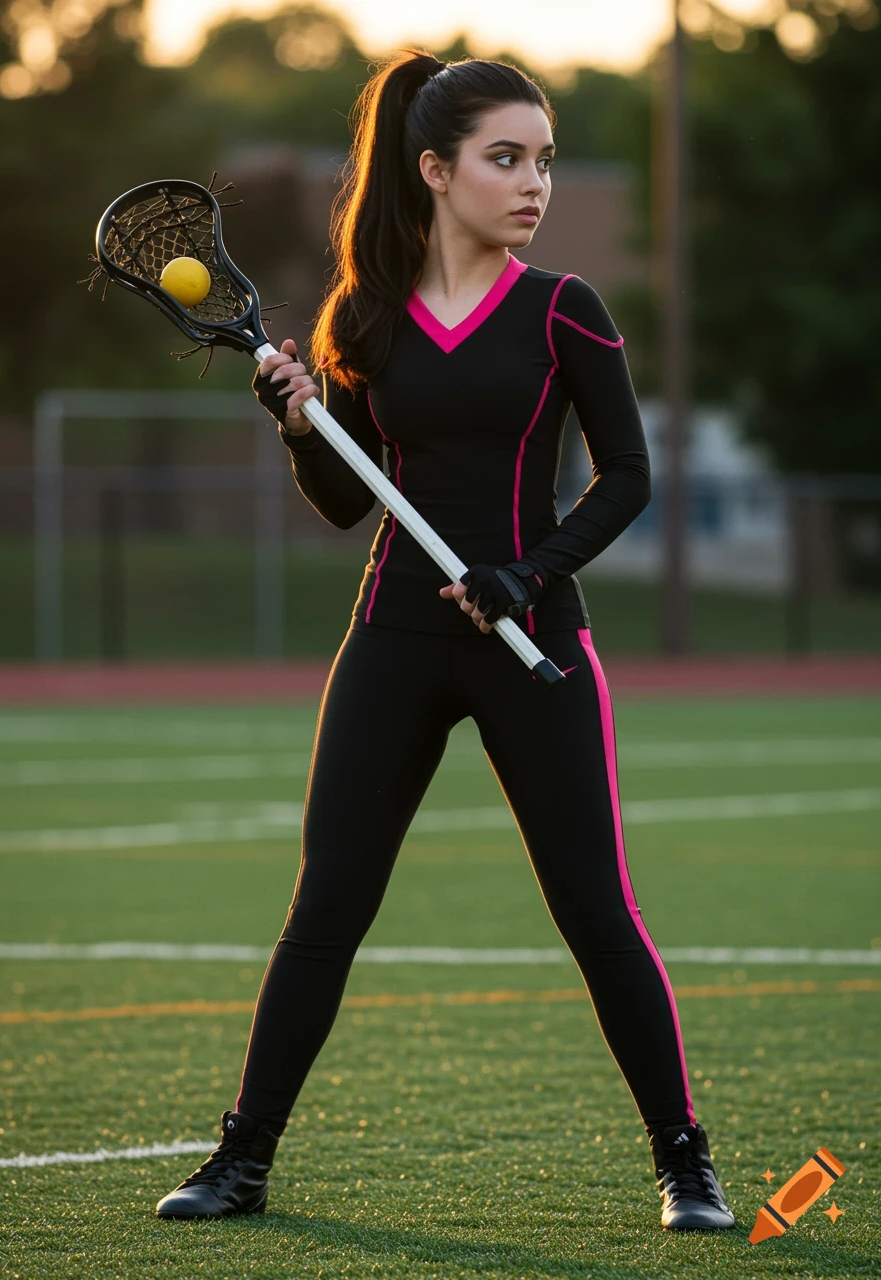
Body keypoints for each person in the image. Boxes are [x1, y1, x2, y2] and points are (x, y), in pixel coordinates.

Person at [155, 48, 734, 1233]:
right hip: (394, 637)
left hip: (533, 636)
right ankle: (240, 1159)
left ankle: (685, 1163)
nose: (532, 184)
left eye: (544, 162)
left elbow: (625, 475)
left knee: (595, 909)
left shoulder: (564, 309)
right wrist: (296, 421)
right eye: (504, 159)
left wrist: (529, 573)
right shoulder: (362, 315)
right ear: (434, 169)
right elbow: (343, 501)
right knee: (327, 903)